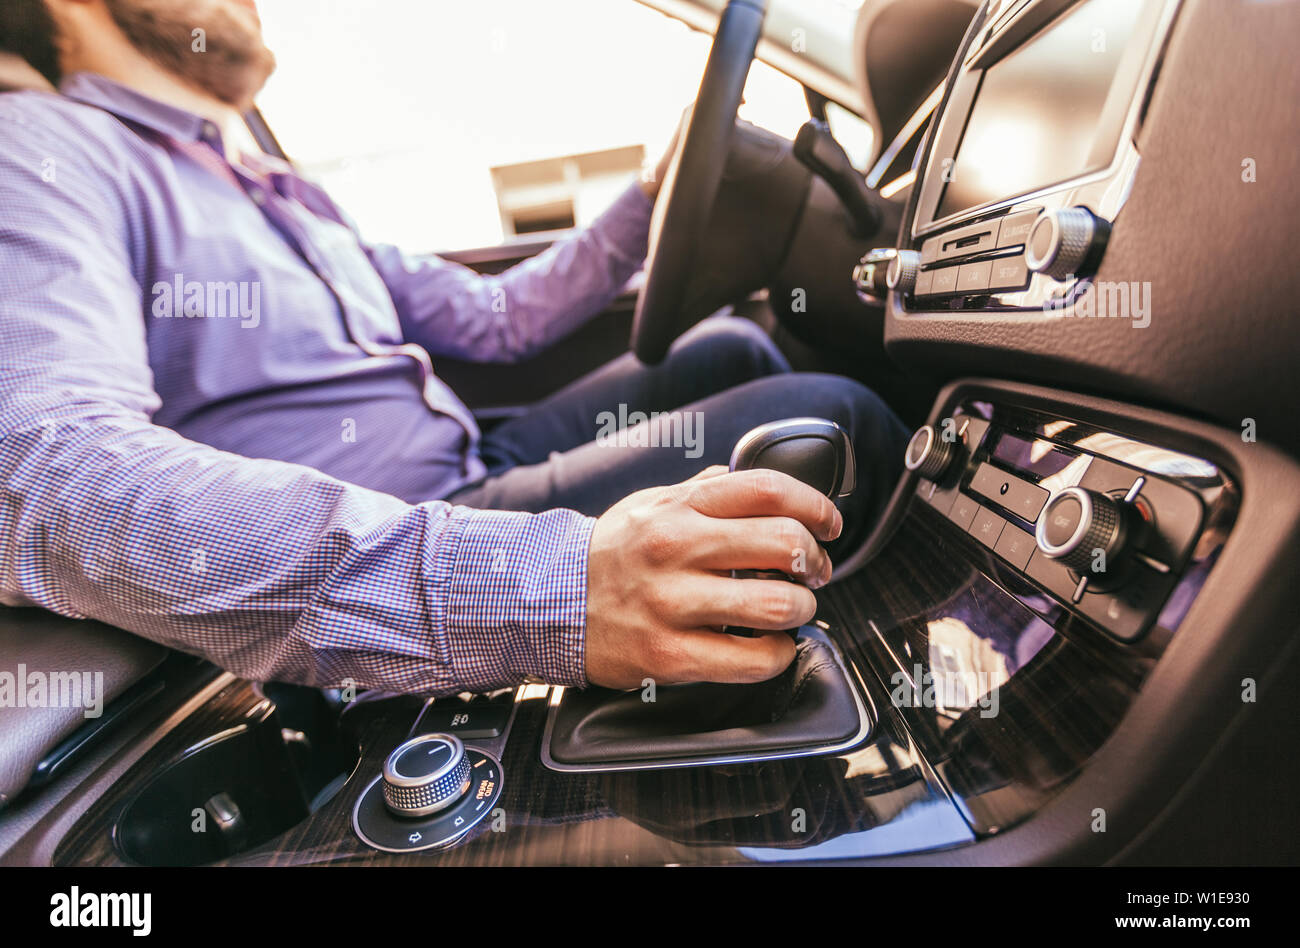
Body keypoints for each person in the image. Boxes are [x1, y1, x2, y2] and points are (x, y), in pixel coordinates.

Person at [0, 0, 907, 695]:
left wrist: (650, 190)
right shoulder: (41, 149)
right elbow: (40, 462)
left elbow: (497, 319)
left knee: (732, 349)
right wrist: (557, 587)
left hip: (472, 453)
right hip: (398, 511)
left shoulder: (277, 190)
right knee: (833, 415)